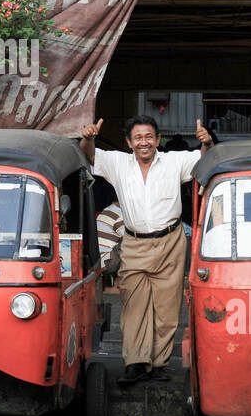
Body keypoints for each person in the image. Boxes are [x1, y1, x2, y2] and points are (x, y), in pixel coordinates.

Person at [80, 114, 213, 386]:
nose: (144, 143)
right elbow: (90, 156)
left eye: (149, 137)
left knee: (167, 308)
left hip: (170, 242)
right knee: (134, 308)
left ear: (158, 140)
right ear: (129, 142)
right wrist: (88, 138)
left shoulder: (174, 161)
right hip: (134, 244)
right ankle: (136, 363)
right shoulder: (117, 163)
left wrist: (207, 143)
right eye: (138, 137)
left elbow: (205, 161)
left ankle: (160, 363)